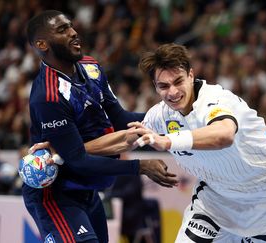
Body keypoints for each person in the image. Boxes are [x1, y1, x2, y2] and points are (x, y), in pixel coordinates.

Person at [24, 10, 178, 243]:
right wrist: (140, 167)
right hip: (56, 196)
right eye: (62, 30)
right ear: (42, 44)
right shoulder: (48, 95)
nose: (73, 32)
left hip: (88, 191)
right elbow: (78, 160)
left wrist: (173, 117)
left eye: (71, 26)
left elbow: (120, 118)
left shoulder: (91, 67)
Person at [127, 43, 266, 242]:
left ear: (191, 75)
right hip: (214, 199)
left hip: (259, 200)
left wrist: (167, 141)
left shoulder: (215, 99)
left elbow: (224, 134)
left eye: (178, 81)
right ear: (155, 87)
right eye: (163, 86)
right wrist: (83, 150)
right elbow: (126, 137)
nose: (172, 92)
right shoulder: (161, 114)